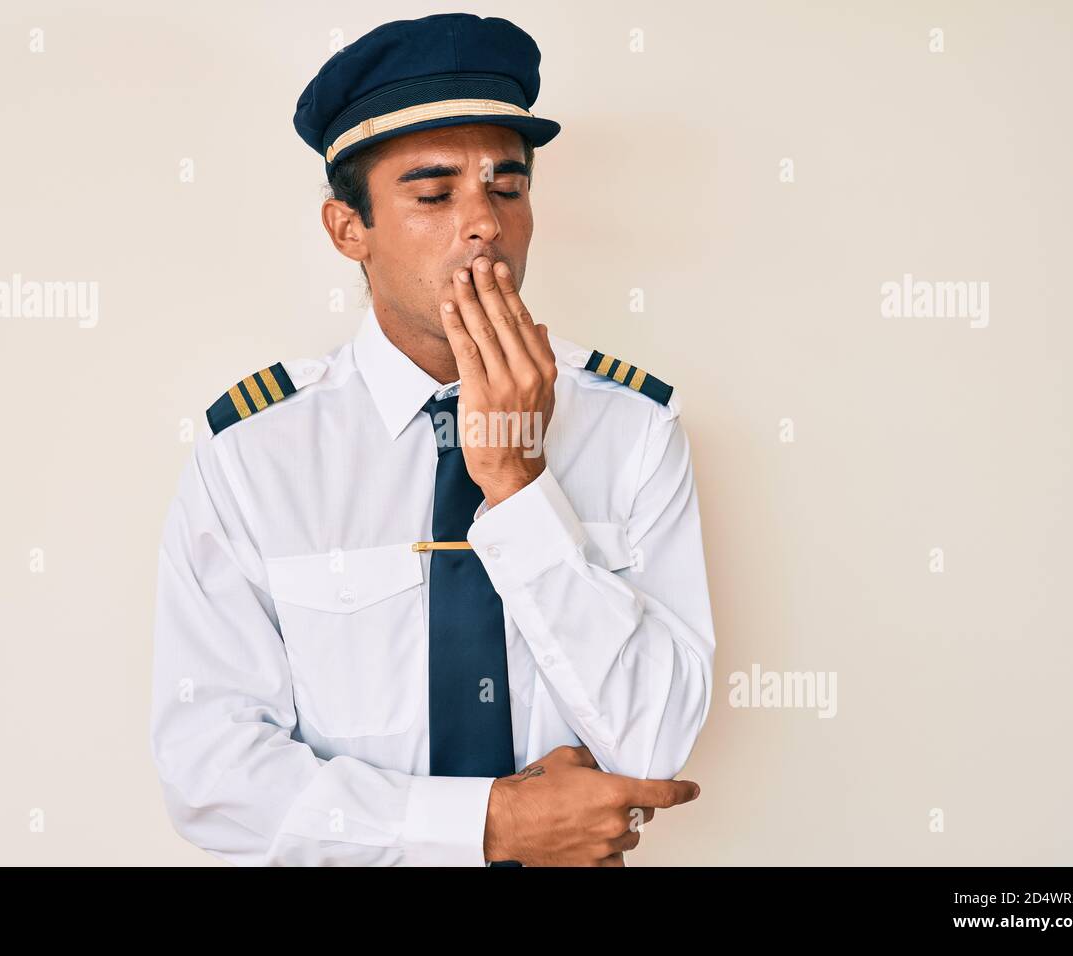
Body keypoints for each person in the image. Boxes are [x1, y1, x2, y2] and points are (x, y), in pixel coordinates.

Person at [150, 12, 715, 867]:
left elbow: (657, 738)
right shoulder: (253, 457)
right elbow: (214, 774)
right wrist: (490, 826)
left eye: (508, 188)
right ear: (349, 230)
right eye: (433, 193)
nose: (482, 223)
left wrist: (518, 486)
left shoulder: (633, 429)